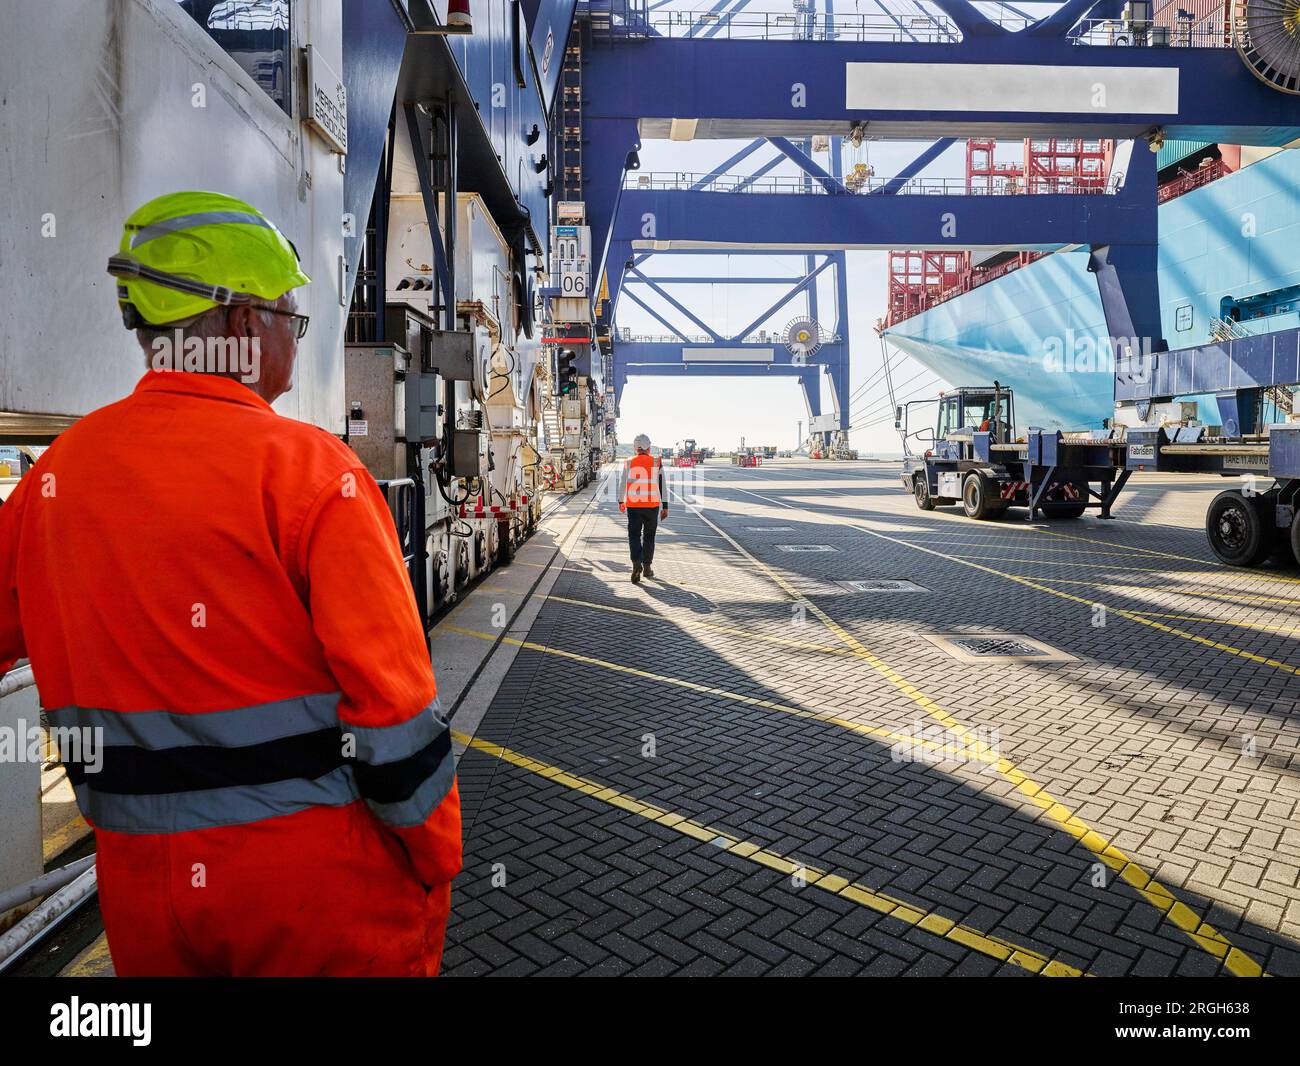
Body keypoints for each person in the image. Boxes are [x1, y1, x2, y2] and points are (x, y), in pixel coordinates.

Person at [0, 191, 461, 976]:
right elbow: (393, 719)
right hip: (317, 899)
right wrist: (435, 858)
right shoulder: (311, 474)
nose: (293, 332)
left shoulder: (52, 481)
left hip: (144, 906)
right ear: (247, 325)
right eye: (291, 314)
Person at [617, 433, 668, 583]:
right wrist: (665, 506)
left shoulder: (628, 462)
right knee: (649, 536)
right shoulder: (656, 462)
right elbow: (662, 485)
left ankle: (636, 564)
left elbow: (622, 483)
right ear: (648, 447)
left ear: (635, 448)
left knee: (633, 535)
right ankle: (647, 568)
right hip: (652, 506)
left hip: (633, 505)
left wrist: (621, 501)